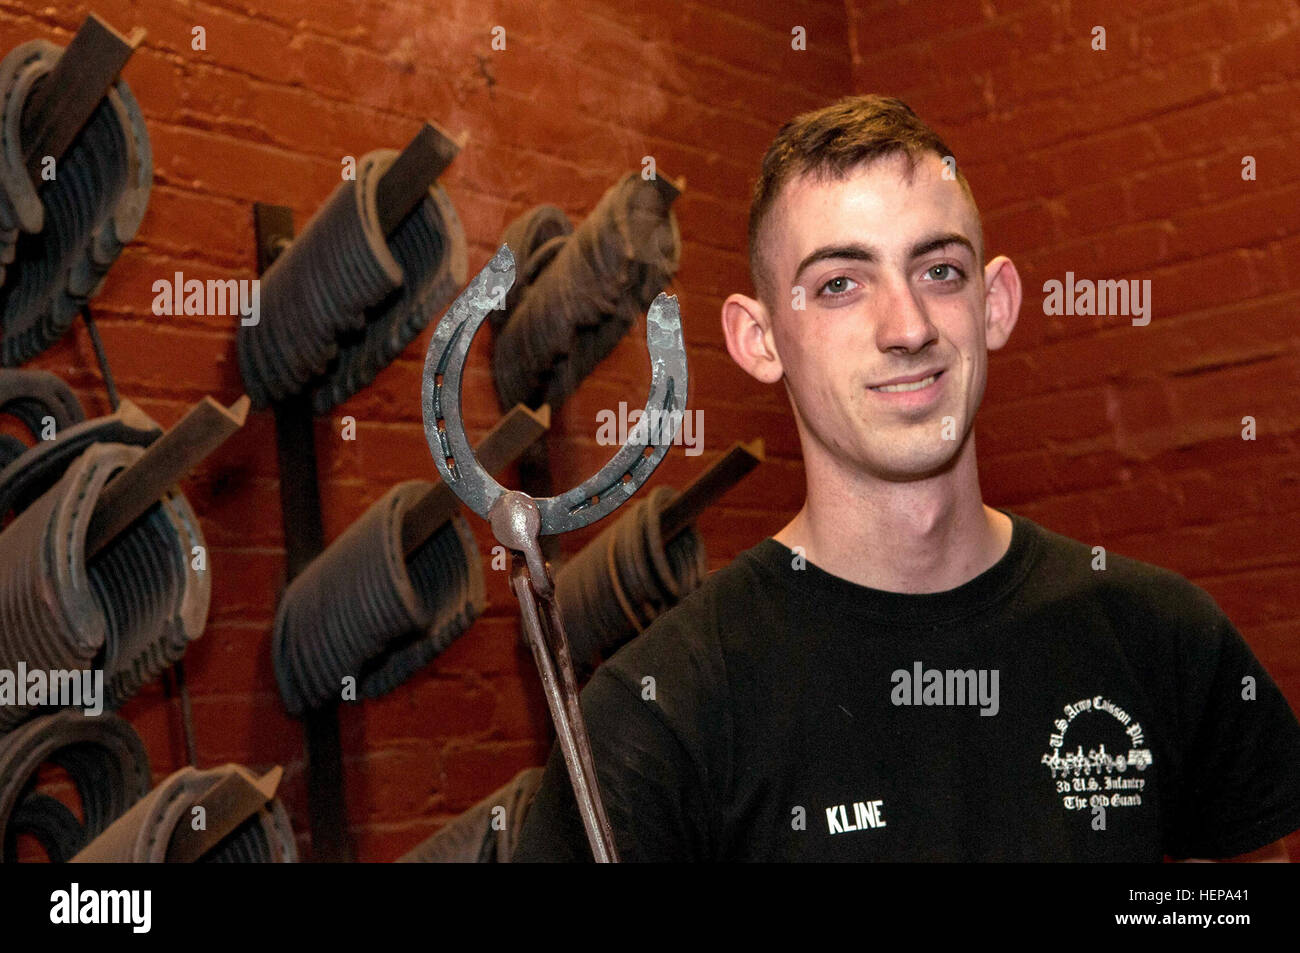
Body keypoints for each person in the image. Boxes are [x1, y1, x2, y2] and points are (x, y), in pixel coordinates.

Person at [513, 95, 1300, 862]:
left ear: (994, 304)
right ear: (759, 340)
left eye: (940, 271)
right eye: (839, 285)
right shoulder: (657, 718)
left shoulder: (1164, 639)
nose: (908, 327)